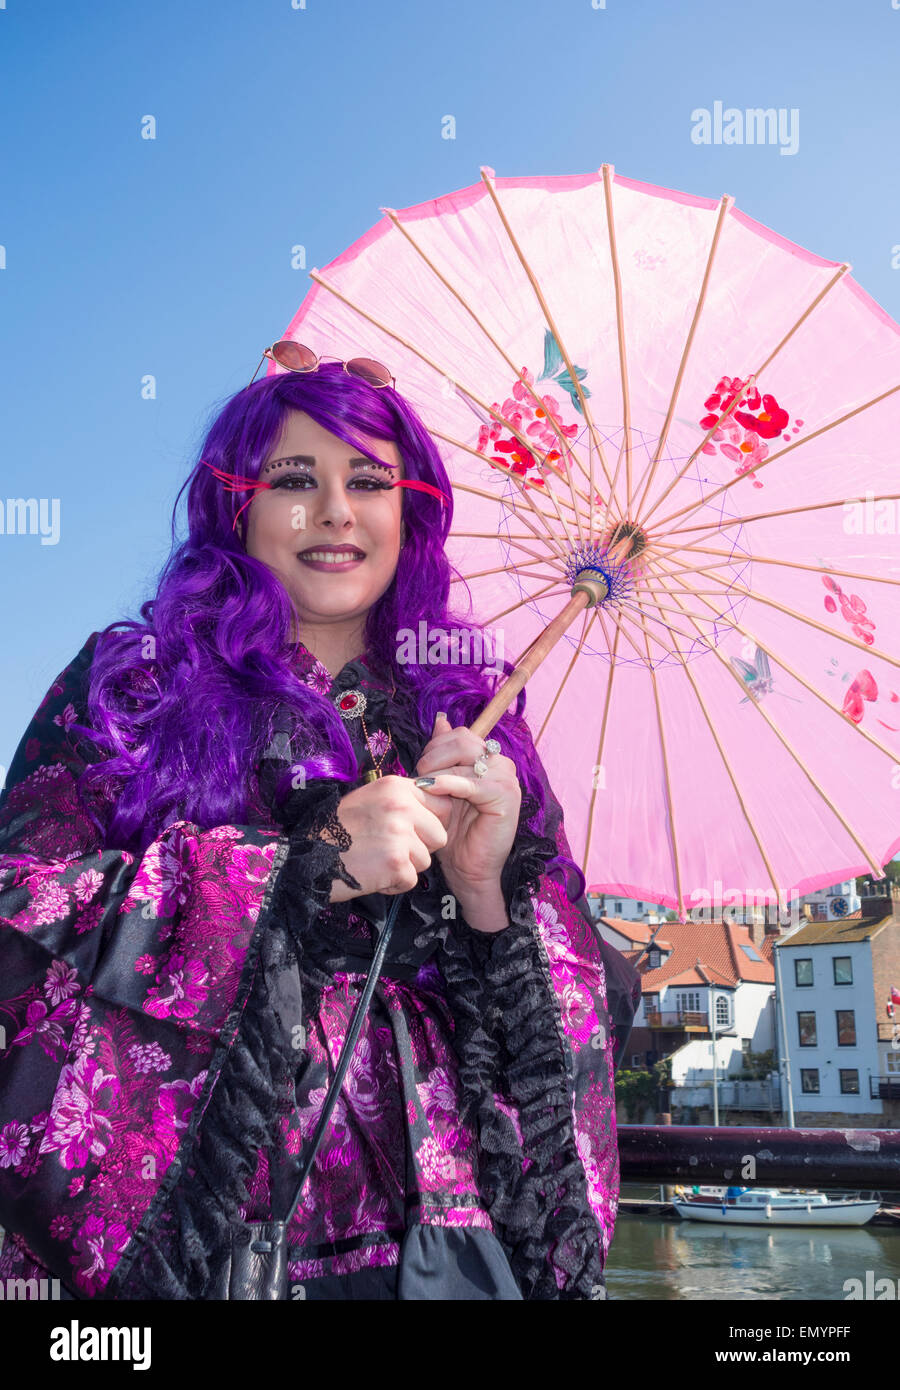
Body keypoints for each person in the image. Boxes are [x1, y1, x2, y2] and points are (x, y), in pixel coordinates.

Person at [0, 354, 640, 1300]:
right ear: (238, 509)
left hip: (445, 1253)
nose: (337, 511)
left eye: (370, 480)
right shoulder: (132, 684)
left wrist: (483, 890)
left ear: (405, 512)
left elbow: (579, 1019)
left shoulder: (475, 724)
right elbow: (25, 906)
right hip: (210, 1251)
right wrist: (306, 866)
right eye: (295, 480)